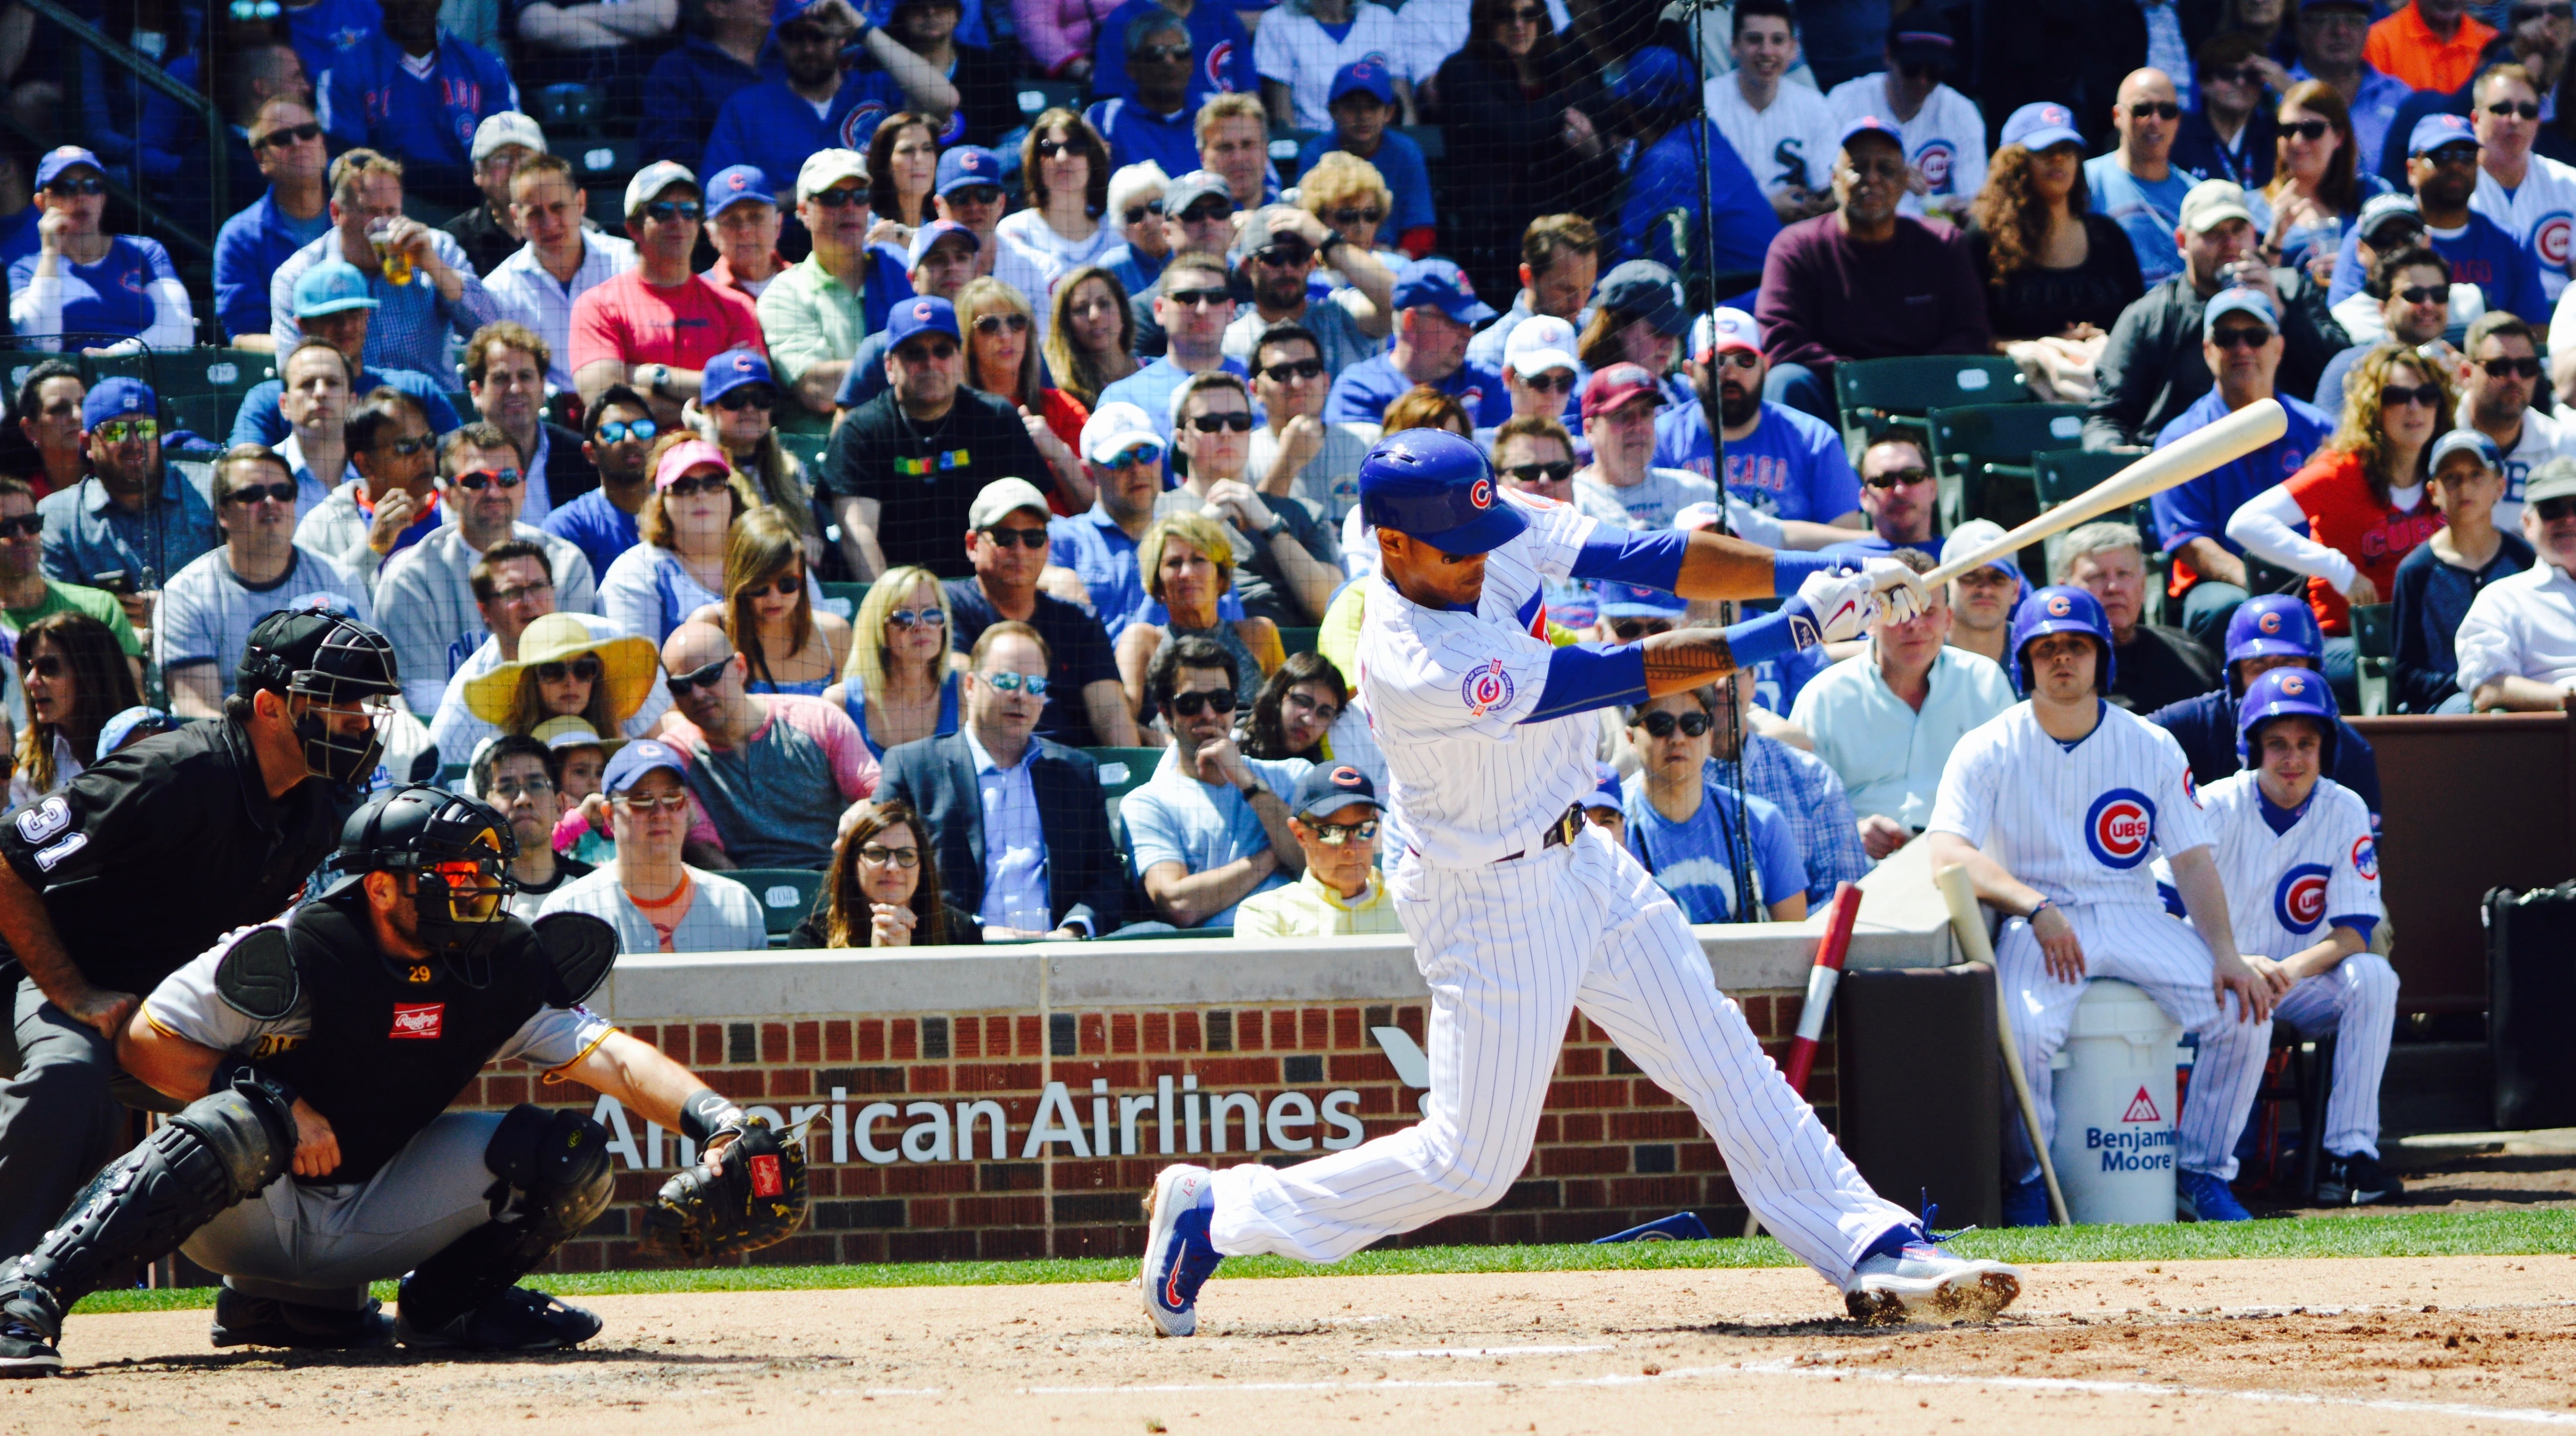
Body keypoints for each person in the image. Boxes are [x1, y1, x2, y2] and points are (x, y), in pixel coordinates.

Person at [1135, 429, 2012, 1336]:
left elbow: (1649, 554)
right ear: (1391, 545)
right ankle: (1220, 1211)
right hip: (1489, 897)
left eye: (1484, 536)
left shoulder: (1480, 522)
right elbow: (1598, 674)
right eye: (1456, 550)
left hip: (1580, 852)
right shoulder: (1411, 656)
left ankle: (1869, 1241)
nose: (1481, 558)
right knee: (1469, 1162)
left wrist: (1820, 564)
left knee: (1720, 1057)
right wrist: (1780, 629)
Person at [0, 779, 804, 1371]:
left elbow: (609, 1056)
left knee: (570, 1153)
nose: (481, 886)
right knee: (245, 1117)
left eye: (484, 871)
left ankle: (445, 1310)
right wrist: (276, 1096)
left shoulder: (497, 959)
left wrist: (718, 1119)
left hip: (374, 1208)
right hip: (246, 1208)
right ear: (382, 886)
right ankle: (29, 1291)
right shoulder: (300, 946)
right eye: (454, 873)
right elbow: (147, 1044)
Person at [0, 611, 395, 1265]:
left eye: (367, 702)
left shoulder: (321, 800)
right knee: (74, 1073)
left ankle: (288, 1297)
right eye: (339, 700)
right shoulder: (174, 771)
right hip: (36, 971)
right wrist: (73, 990)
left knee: (314, 1085)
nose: (361, 718)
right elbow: (8, 860)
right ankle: (9, 1289)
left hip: (155, 1002)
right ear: (271, 707)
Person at [1926, 584, 2276, 1226]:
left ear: (2100, 658)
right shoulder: (1988, 744)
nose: (2062, 659)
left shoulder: (2147, 742)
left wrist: (2227, 953)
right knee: (2021, 1031)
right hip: (2041, 919)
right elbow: (1944, 850)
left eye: (2077, 646)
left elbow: (2193, 859)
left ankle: (2200, 1171)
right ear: (2024, 660)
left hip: (2131, 908)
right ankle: (2028, 1179)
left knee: (2243, 1010)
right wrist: (2030, 906)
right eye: (2046, 648)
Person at [2189, 667, 2400, 1206]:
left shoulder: (2344, 806)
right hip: (2215, 972)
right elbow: (2166, 905)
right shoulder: (2214, 803)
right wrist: (2234, 963)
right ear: (2252, 747)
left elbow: (2355, 931)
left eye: (2305, 743)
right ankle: (2205, 1171)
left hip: (2298, 978)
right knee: (2243, 998)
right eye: (2276, 743)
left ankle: (2347, 1153)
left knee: (2373, 976)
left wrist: (2284, 971)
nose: (2291, 758)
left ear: (2323, 748)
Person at [872, 621, 1124, 939]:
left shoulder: (1075, 773)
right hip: (953, 955)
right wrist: (977, 933)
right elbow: (882, 874)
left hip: (1058, 955)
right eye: (1006, 681)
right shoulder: (913, 768)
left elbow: (1105, 877)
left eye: (1035, 685)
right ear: (971, 686)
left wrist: (1074, 930)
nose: (1021, 695)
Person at [2230, 344, 2453, 685]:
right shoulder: (2341, 470)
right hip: (2343, 642)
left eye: (2427, 395)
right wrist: (2338, 570)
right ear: (2373, 407)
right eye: (2397, 396)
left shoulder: (2449, 472)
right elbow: (2245, 523)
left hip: (2424, 634)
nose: (2415, 407)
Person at [1756, 115, 1993, 424]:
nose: (1872, 178)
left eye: (1886, 169)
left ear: (1907, 180)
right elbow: (1782, 339)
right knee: (1786, 380)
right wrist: (1864, 383)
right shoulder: (1795, 246)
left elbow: (1971, 334)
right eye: (1858, 167)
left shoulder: (1944, 243)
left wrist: (1905, 387)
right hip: (1835, 393)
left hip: (1927, 395)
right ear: (1834, 178)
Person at [2083, 177, 2346, 450]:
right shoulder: (2151, 315)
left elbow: (2341, 375)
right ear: (2182, 241)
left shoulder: (2291, 290)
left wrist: (2281, 312)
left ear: (2254, 232)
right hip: (2180, 463)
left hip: (2284, 457)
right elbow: (2107, 417)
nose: (2230, 243)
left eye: (2238, 229)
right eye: (2214, 233)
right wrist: (2123, 464)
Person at [1791, 548, 2016, 857]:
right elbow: (1798, 810)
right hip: (1861, 869)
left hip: (1966, 860)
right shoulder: (1823, 698)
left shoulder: (1984, 681)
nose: (1914, 625)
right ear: (1869, 621)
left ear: (1948, 619)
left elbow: (2014, 791)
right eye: (1899, 611)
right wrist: (1850, 831)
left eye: (1928, 611)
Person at [2149, 288, 2337, 643]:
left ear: (2278, 347)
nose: (2242, 349)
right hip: (2227, 584)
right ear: (2208, 351)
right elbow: (2191, 543)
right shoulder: (2181, 439)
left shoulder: (2318, 430)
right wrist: (2262, 586)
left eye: (2255, 336)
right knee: (2224, 608)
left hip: (2312, 577)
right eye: (2226, 338)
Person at [822, 296, 1057, 579]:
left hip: (986, 589)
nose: (930, 363)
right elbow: (858, 534)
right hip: (900, 597)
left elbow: (1030, 523)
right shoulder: (861, 431)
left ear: (959, 359)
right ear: (889, 366)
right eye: (914, 353)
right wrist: (896, 608)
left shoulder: (996, 419)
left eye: (943, 351)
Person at [376, 426, 601, 716]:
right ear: (447, 495)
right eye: (477, 480)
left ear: (524, 486)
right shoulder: (410, 578)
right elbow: (426, 704)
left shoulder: (565, 564)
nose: (494, 492)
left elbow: (580, 681)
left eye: (507, 479)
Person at [155, 447, 372, 719]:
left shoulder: (339, 581)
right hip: (233, 749)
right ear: (223, 513)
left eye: (282, 492)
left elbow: (368, 688)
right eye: (252, 495)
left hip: (328, 742)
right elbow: (197, 709)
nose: (270, 502)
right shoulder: (184, 594)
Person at [1120, 632, 1310, 929]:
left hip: (1297, 942)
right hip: (1209, 959)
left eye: (1221, 701)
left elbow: (1317, 865)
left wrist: (1248, 782)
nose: (1208, 714)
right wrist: (1274, 856)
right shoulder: (1146, 802)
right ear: (1166, 714)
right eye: (1190, 703)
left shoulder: (1293, 776)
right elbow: (1178, 904)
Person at [1427, 0, 1612, 304]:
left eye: (1529, 15)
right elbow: (1515, 132)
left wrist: (1595, 152)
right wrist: (1565, 103)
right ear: (1486, 21)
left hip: (1569, 220)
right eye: (1504, 15)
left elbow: (1603, 124)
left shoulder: (1561, 67)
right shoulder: (1462, 70)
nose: (1518, 25)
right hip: (1495, 235)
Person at [656, 621, 879, 869]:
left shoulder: (819, 719)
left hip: (832, 884)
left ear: (740, 668)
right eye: (682, 686)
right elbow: (701, 844)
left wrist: (863, 810)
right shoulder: (675, 755)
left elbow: (877, 794)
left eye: (708, 676)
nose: (697, 694)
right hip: (741, 892)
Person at [696, 0, 956, 208]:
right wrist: (798, 195)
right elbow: (718, 200)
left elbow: (944, 101)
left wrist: (861, 29)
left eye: (819, 37)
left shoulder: (875, 89)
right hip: (788, 247)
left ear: (841, 39)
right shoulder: (748, 107)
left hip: (878, 239)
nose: (808, 49)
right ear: (779, 40)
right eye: (796, 37)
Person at [269, 149, 504, 375]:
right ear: (336, 213)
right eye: (371, 211)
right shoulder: (297, 276)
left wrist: (433, 267)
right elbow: (292, 371)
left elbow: (491, 330)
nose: (384, 223)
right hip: (349, 408)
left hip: (430, 406)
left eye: (391, 211)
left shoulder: (436, 248)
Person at [567, 163, 768, 425]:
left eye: (688, 211)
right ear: (634, 228)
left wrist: (652, 376)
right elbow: (606, 401)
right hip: (637, 459)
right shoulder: (598, 306)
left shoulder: (735, 306)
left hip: (716, 458)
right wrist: (713, 404)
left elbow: (751, 396)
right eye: (662, 212)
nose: (678, 222)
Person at [946, 477, 1139, 748]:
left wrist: (1131, 783)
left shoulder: (1078, 620)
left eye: (1033, 538)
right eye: (1005, 538)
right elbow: (963, 700)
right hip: (990, 761)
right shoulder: (948, 604)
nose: (1020, 550)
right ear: (972, 545)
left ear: (1048, 546)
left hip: (1072, 766)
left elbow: (1111, 714)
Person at [2144, 591, 2386, 807]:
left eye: (2289, 664)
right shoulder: (2200, 721)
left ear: (2314, 671)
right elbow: (2129, 743)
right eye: (2259, 666)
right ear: (2237, 679)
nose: (2275, 678)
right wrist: (2184, 803)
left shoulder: (2350, 752)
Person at [35, 380, 221, 659]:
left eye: (146, 429)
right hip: (110, 668)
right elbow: (56, 618)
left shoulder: (211, 489)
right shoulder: (57, 516)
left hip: (212, 649)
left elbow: (249, 583)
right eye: (116, 431)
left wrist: (179, 609)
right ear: (87, 443)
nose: (134, 443)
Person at [1967, 102, 2147, 383]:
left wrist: (2105, 341)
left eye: (2068, 150)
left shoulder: (2109, 237)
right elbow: (1972, 339)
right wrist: (2047, 346)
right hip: (2019, 395)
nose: (2059, 160)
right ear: (2013, 163)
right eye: (2045, 151)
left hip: (2107, 388)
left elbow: (2140, 324)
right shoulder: (1982, 242)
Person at [542, 738, 767, 950]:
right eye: (641, 800)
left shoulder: (737, 904)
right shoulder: (570, 910)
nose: (660, 813)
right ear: (609, 815)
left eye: (673, 799)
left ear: (688, 808)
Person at [1653, 307, 1863, 530]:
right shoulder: (1660, 440)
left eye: (1745, 360)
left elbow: (1848, 538)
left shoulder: (1813, 440)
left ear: (1766, 367)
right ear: (1690, 373)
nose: (1730, 373)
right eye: (1716, 361)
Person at [1154, 372, 1340, 623]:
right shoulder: (1158, 511)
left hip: (1289, 654)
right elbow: (1150, 599)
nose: (1226, 432)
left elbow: (1331, 611)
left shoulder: (1304, 513)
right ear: (1182, 440)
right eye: (1209, 423)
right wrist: (1199, 530)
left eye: (1239, 421)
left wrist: (1271, 527)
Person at [229, 264, 467, 456]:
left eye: (354, 314)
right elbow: (243, 469)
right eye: (330, 317)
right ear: (303, 325)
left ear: (367, 316)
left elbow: (462, 459)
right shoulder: (270, 399)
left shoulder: (414, 390)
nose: (345, 327)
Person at [1619, 687, 1806, 923]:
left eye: (1693, 724)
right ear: (1631, 738)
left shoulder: (1762, 821)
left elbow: (1792, 942)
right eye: (1660, 724)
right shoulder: (1611, 830)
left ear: (1709, 735)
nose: (1678, 738)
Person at [316, 0, 516, 208]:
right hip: (383, 213)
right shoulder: (344, 70)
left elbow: (510, 163)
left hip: (471, 214)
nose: (416, 4)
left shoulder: (486, 67)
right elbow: (344, 164)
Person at [762, 150, 913, 417]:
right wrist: (916, 366)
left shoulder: (905, 273)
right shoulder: (784, 293)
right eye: (834, 198)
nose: (850, 208)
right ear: (804, 212)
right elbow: (819, 390)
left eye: (860, 196)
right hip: (828, 451)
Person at [2393, 431, 2532, 712]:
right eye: (2451, 478)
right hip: (2449, 707)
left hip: (2524, 696)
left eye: (2477, 475)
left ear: (2500, 486)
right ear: (2434, 493)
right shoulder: (2416, 571)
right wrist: (2474, 684)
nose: (2465, 487)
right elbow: (2407, 673)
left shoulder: (2524, 559)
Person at [481, 152, 639, 396]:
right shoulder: (499, 289)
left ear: (581, 203)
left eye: (558, 207)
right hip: (549, 418)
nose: (549, 223)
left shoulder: (628, 262)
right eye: (535, 213)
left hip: (629, 404)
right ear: (516, 217)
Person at [6, 146, 192, 352]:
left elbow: (181, 331)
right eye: (66, 187)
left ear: (103, 198)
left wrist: (111, 356)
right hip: (71, 379)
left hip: (145, 375)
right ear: (42, 203)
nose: (81, 197)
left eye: (91, 186)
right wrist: (50, 253)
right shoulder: (24, 269)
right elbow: (39, 347)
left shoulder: (145, 252)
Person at [436, 605, 669, 769]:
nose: (570, 682)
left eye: (584, 669)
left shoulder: (622, 748)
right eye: (552, 671)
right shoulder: (495, 753)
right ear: (531, 682)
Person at [1118, 511, 1285, 718]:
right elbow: (1120, 724)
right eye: (1174, 563)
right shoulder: (1142, 642)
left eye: (1199, 560)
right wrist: (1165, 739)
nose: (1187, 573)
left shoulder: (1259, 634)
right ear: (1158, 584)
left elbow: (1283, 719)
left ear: (1221, 577)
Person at [1825, 23, 1987, 225]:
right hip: (1861, 227)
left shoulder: (1962, 112)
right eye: (1912, 69)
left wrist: (1961, 209)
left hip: (1932, 237)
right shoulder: (1845, 100)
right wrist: (1885, 172)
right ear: (1888, 57)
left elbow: (1973, 199)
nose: (1922, 80)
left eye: (1934, 72)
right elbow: (1824, 189)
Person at [2054, 521, 2223, 713]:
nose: (2113, 588)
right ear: (2064, 592)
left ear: (2143, 586)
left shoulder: (2191, 655)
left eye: (2124, 574)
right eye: (2097, 576)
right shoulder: (2054, 673)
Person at [599, 438, 755, 644]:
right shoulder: (634, 572)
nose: (700, 495)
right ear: (662, 502)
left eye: (713, 483)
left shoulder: (767, 555)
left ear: (731, 495)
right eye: (684, 486)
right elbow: (637, 669)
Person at [1324, 258, 1508, 427]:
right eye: (1455, 320)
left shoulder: (1486, 381)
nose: (1468, 333)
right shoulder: (1361, 388)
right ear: (1411, 321)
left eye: (1470, 322)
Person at [294, 387, 445, 594]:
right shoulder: (322, 525)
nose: (424, 455)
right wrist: (371, 549)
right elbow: (310, 606)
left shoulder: (462, 506)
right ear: (366, 464)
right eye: (406, 446)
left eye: (428, 441)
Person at [957, 276, 1092, 506]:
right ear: (967, 342)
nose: (1006, 335)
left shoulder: (1061, 406)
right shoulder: (953, 416)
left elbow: (1094, 506)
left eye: (1017, 323)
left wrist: (1059, 453)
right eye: (989, 326)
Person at [2455, 455, 2576, 707]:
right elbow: (2488, 687)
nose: (2570, 519)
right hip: (2551, 736)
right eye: (2553, 509)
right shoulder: (2501, 599)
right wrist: (2569, 699)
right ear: (2528, 523)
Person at [1705, 0, 1841, 226]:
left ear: (1793, 48)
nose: (1767, 51)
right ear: (1734, 46)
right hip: (1726, 238)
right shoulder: (1706, 104)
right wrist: (1765, 208)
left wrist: (1820, 203)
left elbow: (1827, 187)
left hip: (1795, 235)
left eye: (1777, 40)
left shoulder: (1813, 106)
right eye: (1754, 40)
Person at [1222, 206, 1394, 384]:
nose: (1287, 269)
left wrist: (1327, 241)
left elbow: (1400, 299)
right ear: (1247, 267)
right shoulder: (1231, 340)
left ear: (1311, 264)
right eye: (1274, 258)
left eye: (1297, 257)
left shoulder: (1341, 315)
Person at [214, 97, 335, 349]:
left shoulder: (360, 215)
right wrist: (319, 355)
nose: (297, 144)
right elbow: (243, 335)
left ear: (322, 143)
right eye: (281, 138)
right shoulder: (239, 235)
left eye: (307, 132)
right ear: (260, 159)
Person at [1232, 760, 1403, 936]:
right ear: (1300, 834)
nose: (1353, 848)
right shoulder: (1266, 914)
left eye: (1364, 828)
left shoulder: (1410, 906)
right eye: (1333, 832)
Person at [834, 219, 986, 413]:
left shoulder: (1000, 335)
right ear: (913, 278)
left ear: (977, 272)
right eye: (937, 260)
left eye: (962, 258)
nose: (951, 267)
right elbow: (845, 431)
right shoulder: (881, 348)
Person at [0, 477, 142, 681]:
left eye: (32, 524)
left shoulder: (99, 609)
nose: (22, 536)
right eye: (7, 528)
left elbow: (132, 701)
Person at [1100, 252, 1252, 441]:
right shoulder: (1124, 398)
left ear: (1231, 310)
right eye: (1187, 298)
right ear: (1159, 310)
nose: (1203, 310)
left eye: (1215, 297)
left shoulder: (1262, 380)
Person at [993, 111, 1116, 343]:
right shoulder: (1013, 233)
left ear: (1093, 159)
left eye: (1076, 147)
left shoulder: (1118, 231)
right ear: (1035, 162)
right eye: (1048, 148)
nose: (1061, 157)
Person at [1294, 59, 1436, 257]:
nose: (1363, 116)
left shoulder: (1406, 153)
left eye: (1372, 107)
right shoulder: (1316, 153)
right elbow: (1307, 221)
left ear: (1389, 112)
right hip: (1330, 258)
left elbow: (1422, 230)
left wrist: (1395, 261)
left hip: (1391, 257)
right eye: (1353, 107)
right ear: (1333, 111)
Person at [689, 348, 821, 559]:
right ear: (710, 409)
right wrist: (710, 444)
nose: (750, 408)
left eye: (762, 398)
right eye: (735, 399)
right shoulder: (694, 470)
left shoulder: (792, 469)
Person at [789, 797, 974, 946]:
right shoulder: (811, 937)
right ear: (852, 863)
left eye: (906, 855)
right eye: (877, 854)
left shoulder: (960, 932)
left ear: (922, 866)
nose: (893, 867)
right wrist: (878, 960)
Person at [823, 564, 962, 758]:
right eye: (904, 618)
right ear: (879, 629)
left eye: (931, 615)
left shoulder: (965, 692)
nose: (921, 627)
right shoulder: (841, 702)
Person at [2467, 63, 2576, 312]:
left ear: (2538, 122)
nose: (2515, 120)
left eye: (2527, 111)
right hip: (2481, 320)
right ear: (2476, 119)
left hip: (2558, 318)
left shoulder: (2570, 185)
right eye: (2502, 109)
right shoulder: (2456, 187)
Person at [463, 323, 594, 527]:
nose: (515, 388)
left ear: (543, 388)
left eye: (525, 377)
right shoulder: (451, 457)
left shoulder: (581, 458)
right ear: (476, 392)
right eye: (501, 378)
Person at [5, 613, 139, 810]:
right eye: (29, 668)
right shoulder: (19, 761)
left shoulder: (149, 741)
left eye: (49, 667)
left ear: (93, 673)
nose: (31, 681)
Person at [1249, 321, 1377, 526]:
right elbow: (1251, 541)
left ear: (1326, 381)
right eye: (1280, 373)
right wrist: (1287, 462)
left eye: (1308, 369)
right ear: (1256, 390)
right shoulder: (1240, 451)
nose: (1297, 383)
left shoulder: (1370, 444)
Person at [2084, 68, 2203, 288]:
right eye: (2142, 110)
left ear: (2178, 120)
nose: (2155, 120)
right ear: (2117, 117)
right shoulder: (2086, 181)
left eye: (2167, 111)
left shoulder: (2196, 195)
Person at [2259, 80, 2384, 283]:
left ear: (2339, 137)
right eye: (2288, 130)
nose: (2298, 141)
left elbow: (2402, 262)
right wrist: (2275, 241)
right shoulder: (2254, 208)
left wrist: (2354, 269)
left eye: (2312, 130)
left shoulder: (2371, 196)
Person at [720, 506, 850, 695]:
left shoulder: (835, 635)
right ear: (738, 582)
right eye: (760, 586)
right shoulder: (712, 629)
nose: (774, 598)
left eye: (787, 583)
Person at [640, 0, 782, 172]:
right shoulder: (677, 70)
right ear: (717, 7)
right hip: (721, 193)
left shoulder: (791, 61)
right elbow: (670, 157)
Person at [1463, 214, 1601, 376]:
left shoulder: (1600, 333)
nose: (1579, 304)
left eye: (1587, 289)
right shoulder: (1488, 355)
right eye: (1566, 290)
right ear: (1527, 276)